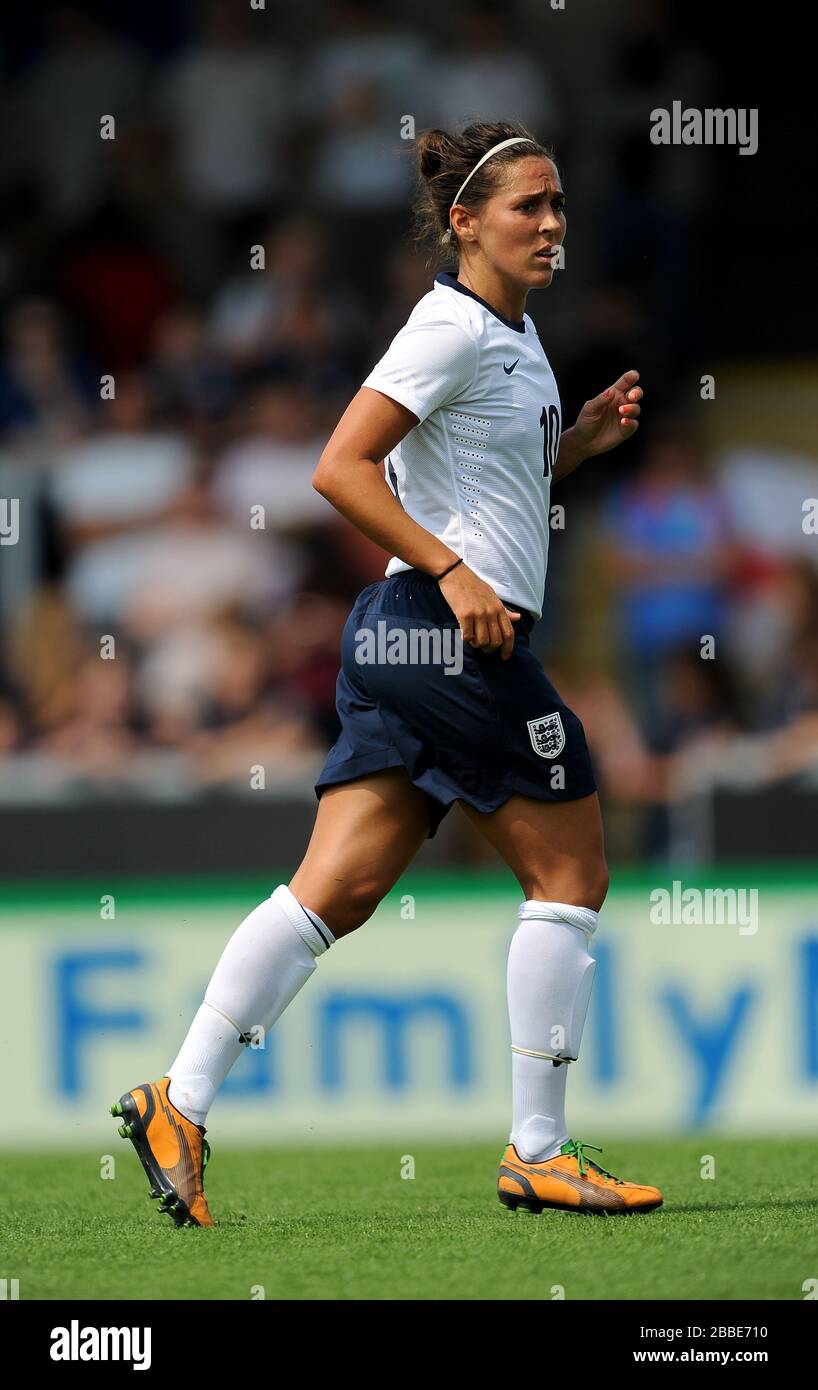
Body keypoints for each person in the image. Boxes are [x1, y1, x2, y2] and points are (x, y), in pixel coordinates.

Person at [111, 121, 662, 1225]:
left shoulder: (511, 329)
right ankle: (537, 1150)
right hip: (452, 632)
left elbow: (472, 475)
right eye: (527, 207)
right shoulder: (449, 325)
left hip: (405, 634)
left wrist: (575, 446)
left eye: (557, 204)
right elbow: (338, 467)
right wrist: (454, 573)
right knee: (570, 879)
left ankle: (179, 1096)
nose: (551, 224)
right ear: (464, 221)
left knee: (335, 892)